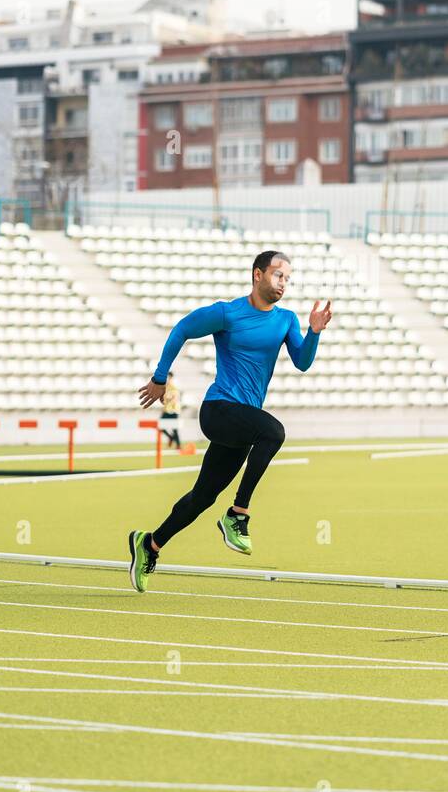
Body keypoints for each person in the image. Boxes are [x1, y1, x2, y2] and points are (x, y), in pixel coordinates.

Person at [128, 248, 332, 592]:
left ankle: (149, 544)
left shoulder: (284, 320)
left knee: (202, 497)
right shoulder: (228, 313)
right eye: (278, 275)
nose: (283, 283)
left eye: (288, 279)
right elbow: (181, 330)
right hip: (219, 409)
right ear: (258, 275)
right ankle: (238, 514)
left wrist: (313, 332)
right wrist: (160, 378)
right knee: (274, 433)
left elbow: (302, 362)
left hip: (240, 424)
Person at [160, 371, 182, 449]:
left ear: (171, 378)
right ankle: (171, 438)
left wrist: (168, 399)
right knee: (160, 427)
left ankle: (178, 445)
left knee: (175, 429)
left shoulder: (174, 387)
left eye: (168, 377)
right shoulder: (165, 387)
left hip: (173, 410)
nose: (167, 379)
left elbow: (174, 399)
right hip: (166, 410)